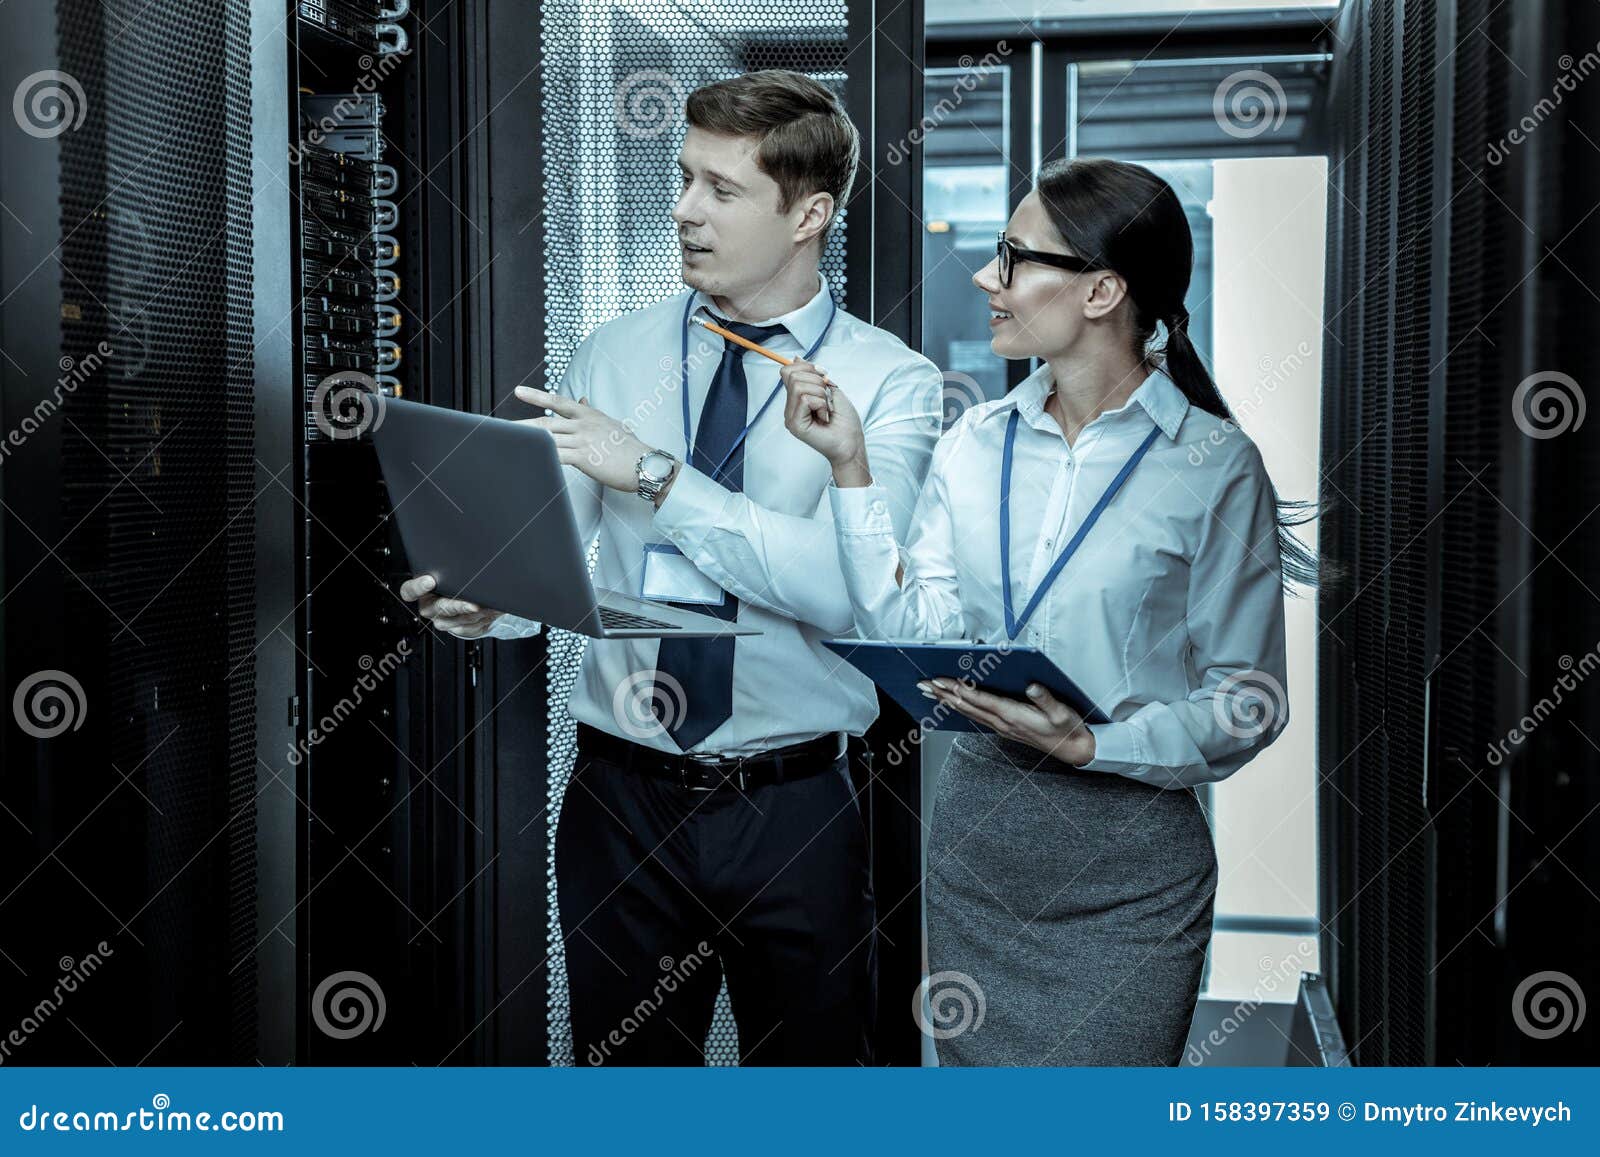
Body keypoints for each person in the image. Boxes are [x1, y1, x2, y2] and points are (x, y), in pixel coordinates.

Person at [400, 70, 942, 1065]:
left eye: (721, 189)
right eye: (684, 178)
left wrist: (653, 475)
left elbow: (844, 591)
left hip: (795, 805)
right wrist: (490, 599)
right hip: (619, 801)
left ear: (808, 215)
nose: (685, 210)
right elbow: (551, 546)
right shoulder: (613, 353)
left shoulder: (891, 381)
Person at [779, 155, 1311, 1066]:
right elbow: (915, 629)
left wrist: (1095, 744)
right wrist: (849, 468)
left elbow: (1249, 701)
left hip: (1133, 875)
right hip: (981, 849)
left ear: (1102, 291)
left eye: (1014, 258)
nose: (988, 279)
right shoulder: (974, 442)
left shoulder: (1214, 465)